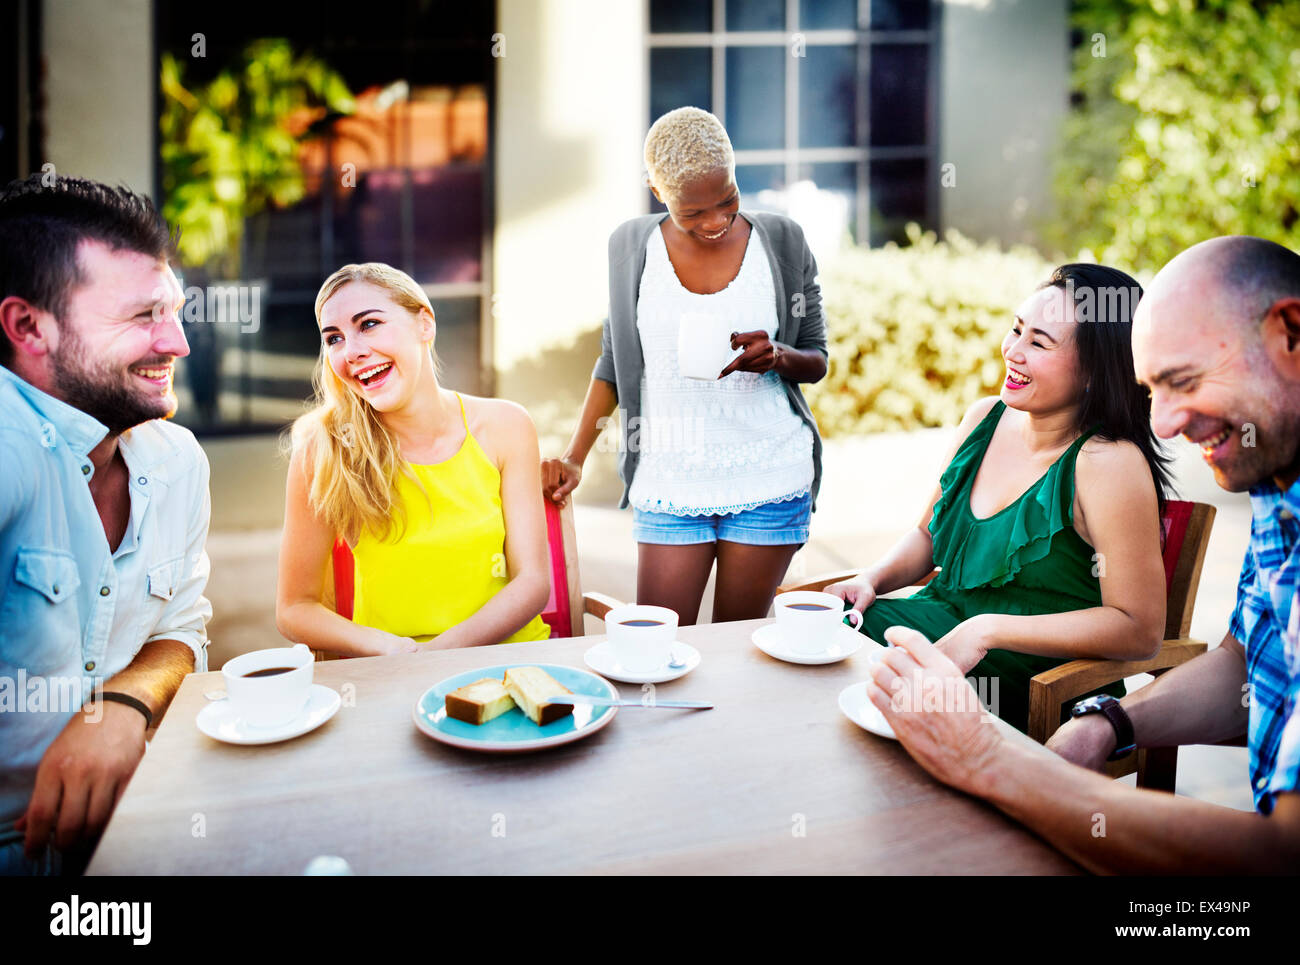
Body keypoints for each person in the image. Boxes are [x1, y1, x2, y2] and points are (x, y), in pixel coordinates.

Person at [868, 236, 1300, 873]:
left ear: (1289, 333)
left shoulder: (1106, 461)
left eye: (1184, 380)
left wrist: (991, 760)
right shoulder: (1278, 500)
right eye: (1155, 389)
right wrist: (1109, 721)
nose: (1164, 425)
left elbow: (1279, 852)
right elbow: (1245, 664)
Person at [828, 264, 1172, 732]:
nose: (1013, 351)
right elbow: (926, 536)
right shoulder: (984, 418)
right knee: (826, 638)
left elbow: (1140, 629)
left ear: (1094, 371)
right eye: (1016, 330)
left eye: (1039, 342)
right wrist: (871, 579)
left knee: (868, 686)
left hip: (1041, 677)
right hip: (946, 629)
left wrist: (986, 629)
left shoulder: (1108, 463)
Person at [542, 107, 828, 625]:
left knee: (738, 651)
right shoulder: (630, 247)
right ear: (657, 191)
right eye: (693, 212)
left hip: (769, 474)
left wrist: (778, 356)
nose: (715, 221)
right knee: (657, 646)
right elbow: (613, 361)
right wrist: (575, 456)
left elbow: (817, 359)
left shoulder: (783, 241)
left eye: (727, 200)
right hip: (668, 478)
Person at [0, 174, 212, 874]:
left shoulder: (175, 458)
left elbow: (181, 632)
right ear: (29, 326)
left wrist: (119, 707)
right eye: (144, 316)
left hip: (134, 837)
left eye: (175, 310)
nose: (177, 342)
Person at [276, 263, 550, 656]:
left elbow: (533, 581)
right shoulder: (324, 451)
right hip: (395, 669)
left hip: (509, 661)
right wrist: (397, 651)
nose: (351, 351)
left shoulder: (507, 425)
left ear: (425, 324)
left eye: (368, 324)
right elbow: (294, 608)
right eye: (334, 338)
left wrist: (438, 655)